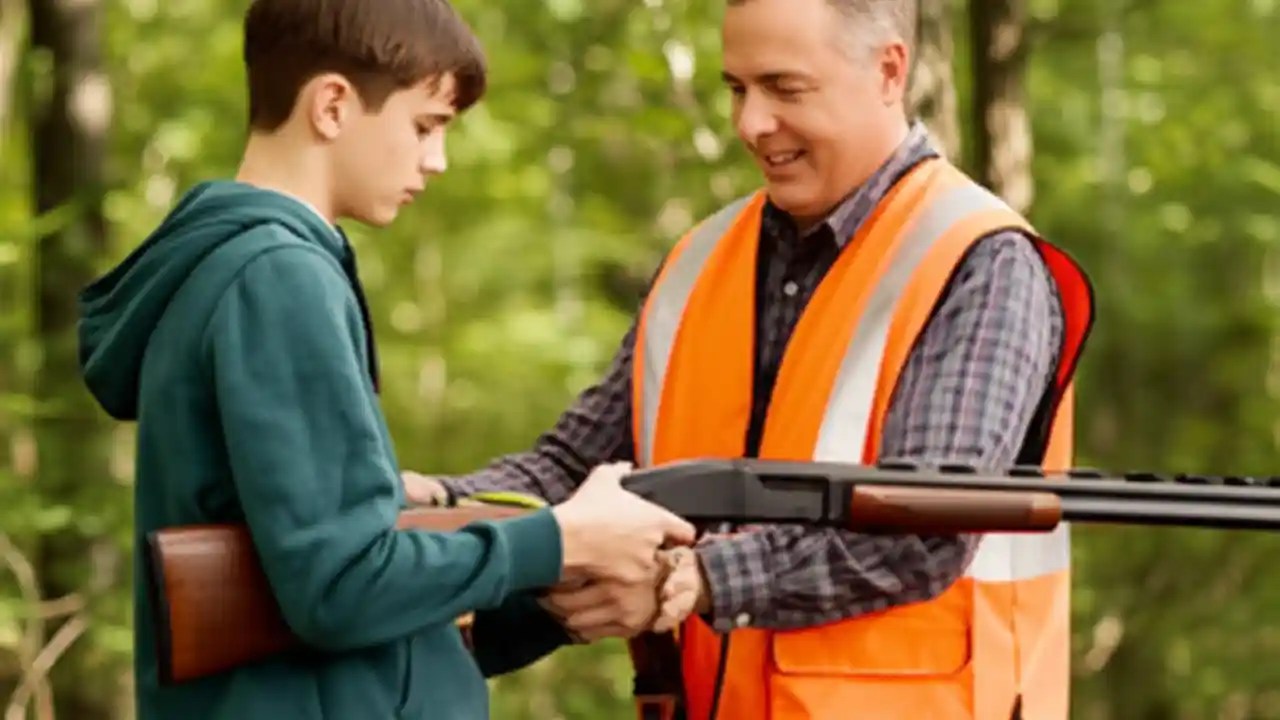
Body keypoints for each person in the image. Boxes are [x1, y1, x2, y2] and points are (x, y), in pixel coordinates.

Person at [404, 0, 1096, 718]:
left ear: (889, 70)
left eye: (784, 88)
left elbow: (923, 534)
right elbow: (574, 467)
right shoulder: (701, 261)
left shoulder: (979, 261)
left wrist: (694, 579)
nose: (750, 124)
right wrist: (433, 504)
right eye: (737, 88)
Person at [75, 1, 694, 719]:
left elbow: (319, 589)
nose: (437, 161)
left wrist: (533, 597)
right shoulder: (278, 277)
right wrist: (559, 539)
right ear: (333, 105)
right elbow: (339, 588)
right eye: (425, 126)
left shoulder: (238, 268)